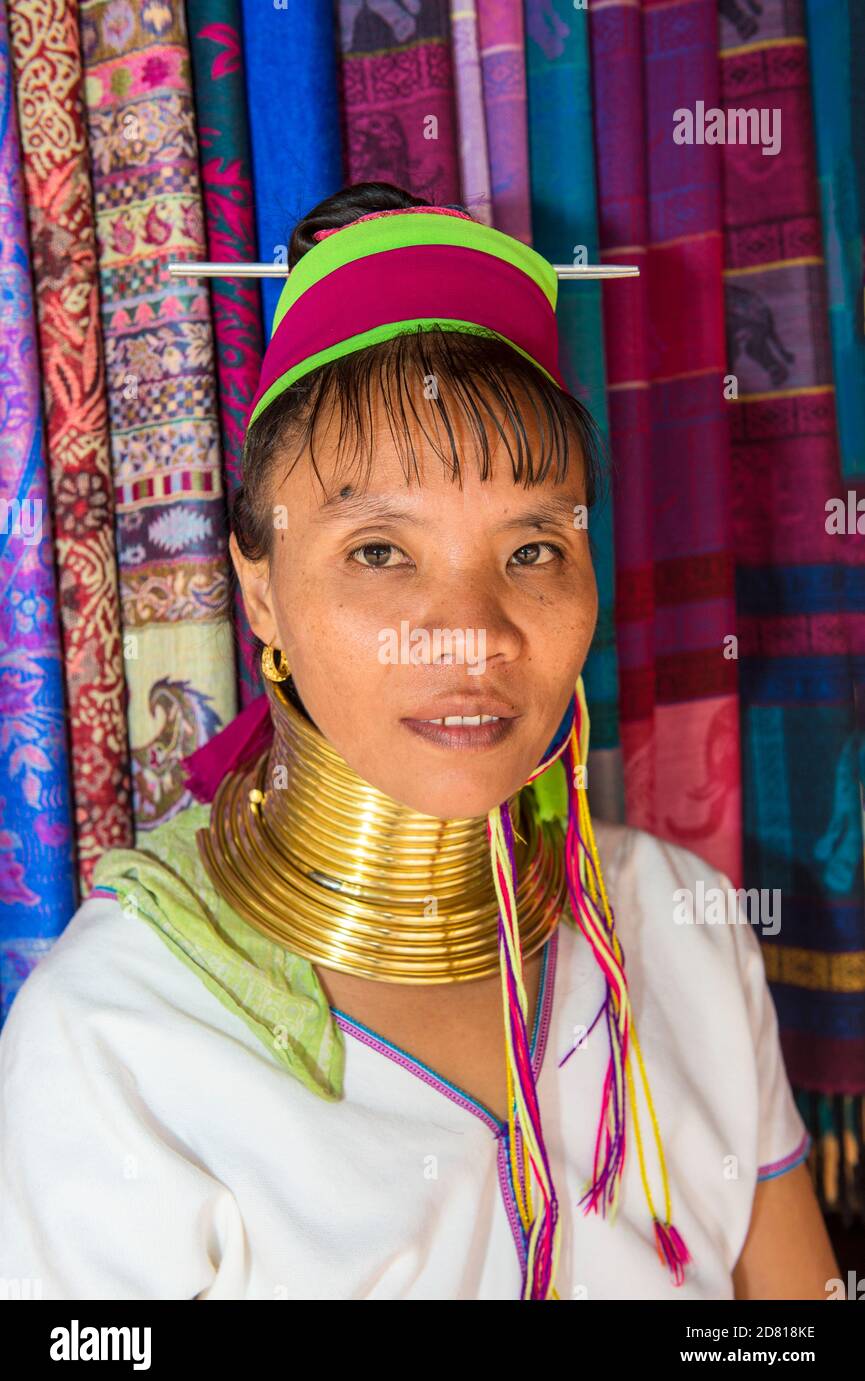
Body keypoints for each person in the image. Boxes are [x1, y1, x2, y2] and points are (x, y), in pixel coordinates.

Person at [0, 183, 839, 1300]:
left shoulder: (675, 927)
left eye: (533, 549)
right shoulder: (117, 1035)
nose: (472, 633)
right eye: (380, 550)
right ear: (259, 588)